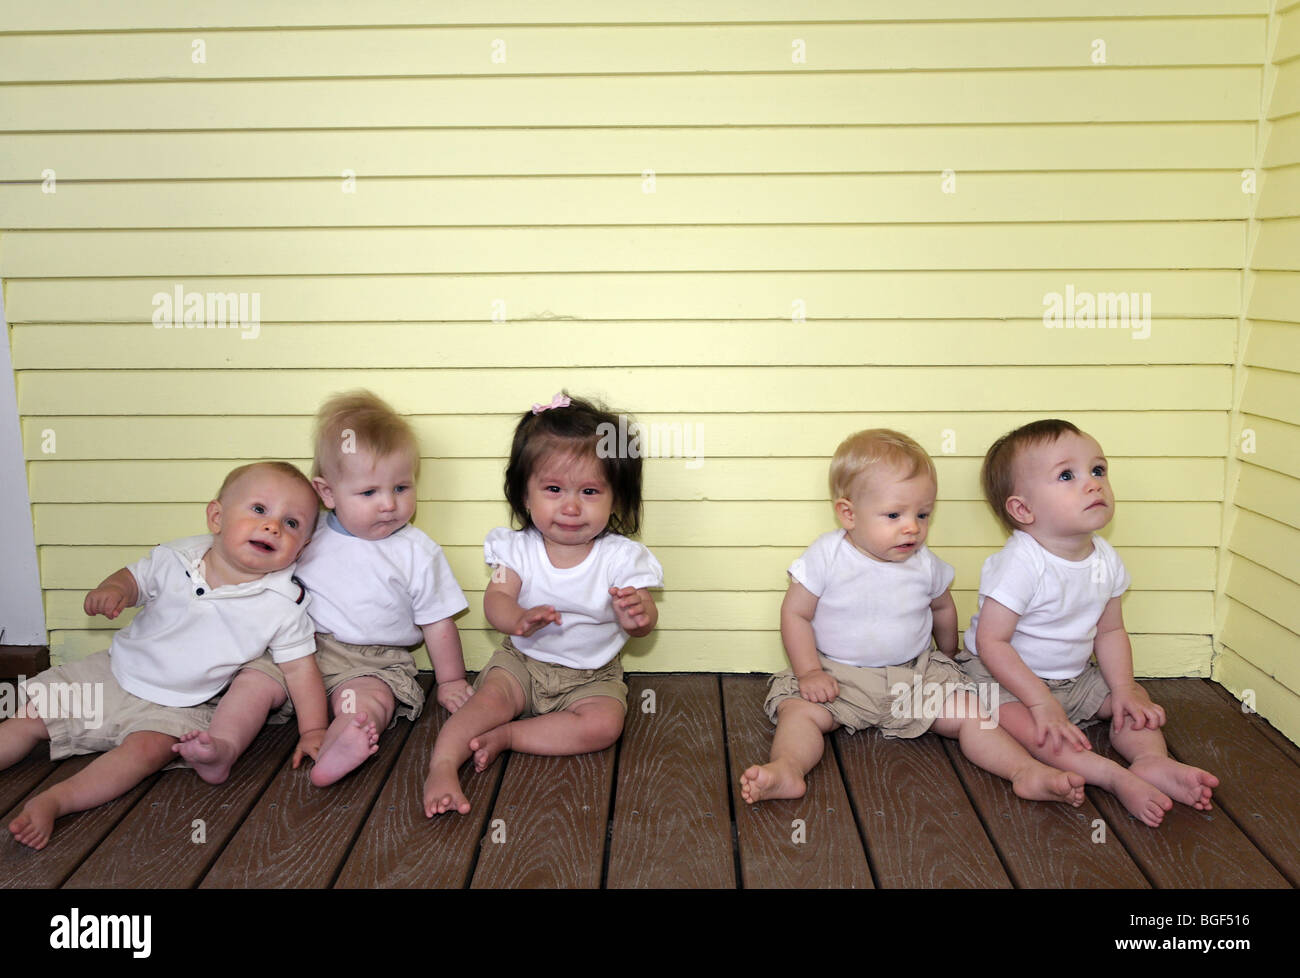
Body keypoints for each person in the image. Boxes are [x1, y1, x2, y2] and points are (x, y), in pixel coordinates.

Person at [741, 429, 1085, 808]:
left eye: (923, 514)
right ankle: (787, 768)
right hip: (838, 677)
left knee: (973, 713)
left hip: (914, 677)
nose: (913, 527)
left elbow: (942, 607)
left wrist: (949, 652)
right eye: (894, 515)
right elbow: (795, 613)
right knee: (800, 714)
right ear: (848, 513)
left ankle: (1024, 771)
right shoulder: (827, 556)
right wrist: (808, 672)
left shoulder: (925, 563)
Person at [2, 462, 325, 849]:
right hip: (114, 671)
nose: (273, 526)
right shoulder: (176, 557)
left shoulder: (283, 603)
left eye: (291, 524)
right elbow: (134, 579)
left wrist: (313, 731)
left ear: (303, 547)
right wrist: (115, 588)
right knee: (30, 715)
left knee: (145, 753)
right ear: (217, 516)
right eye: (259, 510)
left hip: (182, 704)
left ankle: (56, 800)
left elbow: (300, 671)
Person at [179, 390, 471, 787]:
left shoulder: (417, 552)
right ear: (328, 493)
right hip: (297, 649)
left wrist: (451, 680)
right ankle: (222, 747)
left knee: (369, 702)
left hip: (372, 660)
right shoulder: (305, 532)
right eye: (369, 492)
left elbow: (437, 622)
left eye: (401, 488)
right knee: (253, 684)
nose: (389, 504)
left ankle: (343, 742)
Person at [962, 419, 1218, 827]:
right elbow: (993, 642)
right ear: (1023, 509)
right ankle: (1112, 776)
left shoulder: (1104, 558)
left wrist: (1123, 689)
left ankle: (1152, 760)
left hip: (1076, 678)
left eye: (1098, 470)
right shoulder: (1021, 563)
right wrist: (1041, 703)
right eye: (1067, 475)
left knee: (1136, 711)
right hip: (1004, 679)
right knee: (1035, 731)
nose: (1093, 483)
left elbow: (1110, 630)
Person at [424, 392, 662, 816]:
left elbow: (643, 619)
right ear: (525, 495)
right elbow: (495, 598)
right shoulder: (515, 551)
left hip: (593, 675)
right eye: (553, 489)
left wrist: (638, 615)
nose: (570, 506)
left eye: (589, 491)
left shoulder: (622, 557)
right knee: (485, 703)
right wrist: (516, 618)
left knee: (606, 724)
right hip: (523, 662)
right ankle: (442, 766)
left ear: (615, 499)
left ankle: (513, 736)